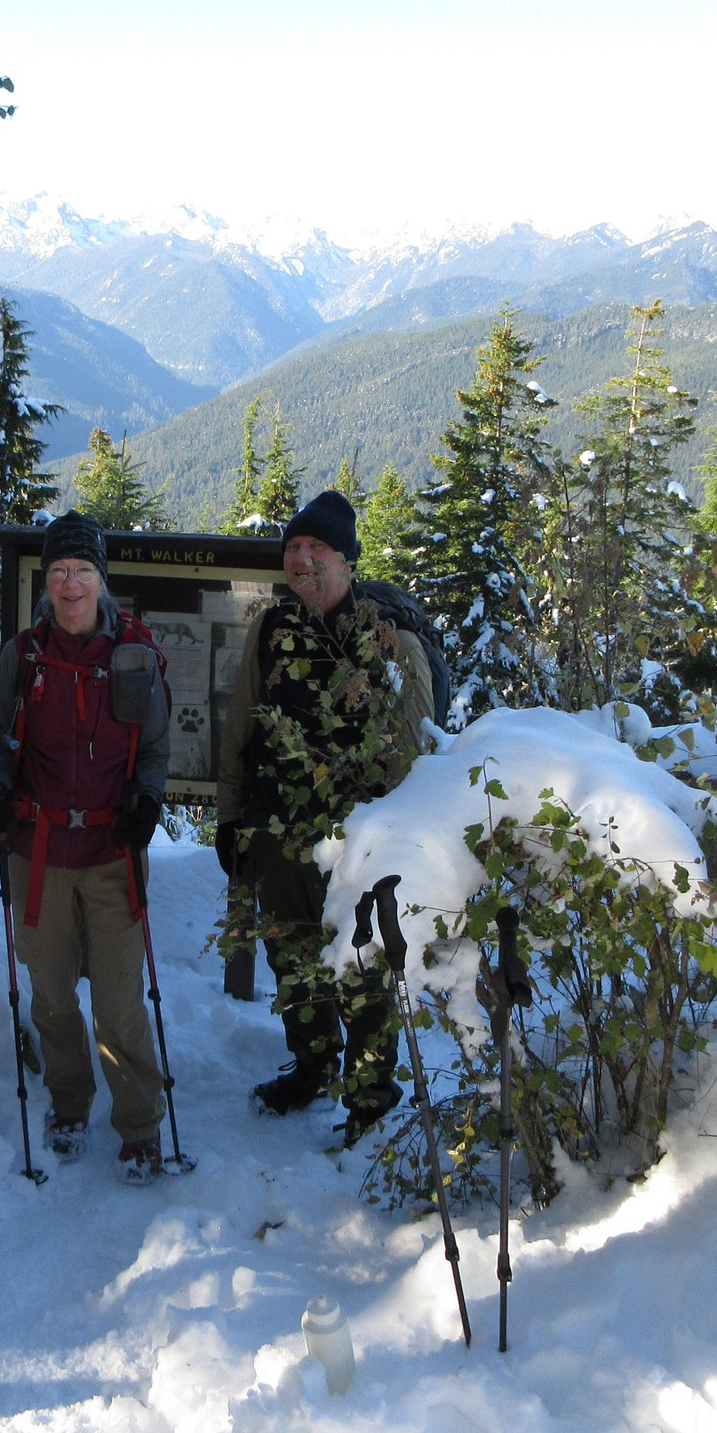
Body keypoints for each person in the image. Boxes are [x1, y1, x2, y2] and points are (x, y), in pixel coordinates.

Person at [216, 488, 436, 1143]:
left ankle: (370, 1093)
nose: (302, 558)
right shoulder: (270, 630)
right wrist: (231, 819)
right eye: (292, 547)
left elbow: (416, 746)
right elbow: (240, 730)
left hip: (359, 840)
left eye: (317, 547)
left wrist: (399, 843)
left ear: (346, 561)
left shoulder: (387, 640)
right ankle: (312, 1065)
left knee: (363, 964)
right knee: (293, 955)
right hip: (281, 833)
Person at [0, 511, 172, 1184]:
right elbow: (2, 737)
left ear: (101, 578)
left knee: (120, 1000)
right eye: (60, 570)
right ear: (47, 579)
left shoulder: (135, 654)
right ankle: (69, 1102)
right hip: (38, 851)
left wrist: (147, 802)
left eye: (82, 570)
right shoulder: (23, 654)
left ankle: (140, 1124)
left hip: (111, 848)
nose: (70, 583)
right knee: (53, 995)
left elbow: (154, 747)